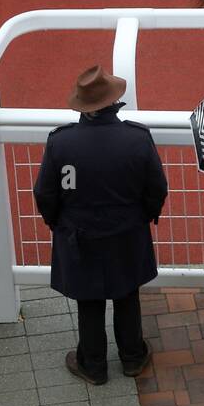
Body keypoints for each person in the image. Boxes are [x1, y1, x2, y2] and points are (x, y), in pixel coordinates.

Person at [33, 66, 167, 386]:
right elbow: (156, 188)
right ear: (114, 103)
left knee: (88, 300)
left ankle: (92, 365)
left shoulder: (60, 143)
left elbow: (45, 193)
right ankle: (133, 357)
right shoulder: (137, 138)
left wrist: (57, 223)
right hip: (127, 233)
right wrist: (146, 216)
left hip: (79, 235)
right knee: (126, 295)